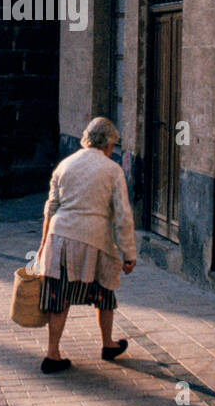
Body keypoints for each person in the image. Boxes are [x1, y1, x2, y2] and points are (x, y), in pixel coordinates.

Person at [31, 117, 137, 374]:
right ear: (108, 143)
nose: (113, 149)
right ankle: (108, 344)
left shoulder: (65, 164)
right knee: (104, 293)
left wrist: (44, 246)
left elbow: (51, 208)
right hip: (94, 240)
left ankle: (52, 353)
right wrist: (128, 253)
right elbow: (123, 215)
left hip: (60, 237)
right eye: (113, 144)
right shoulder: (112, 170)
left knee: (59, 296)